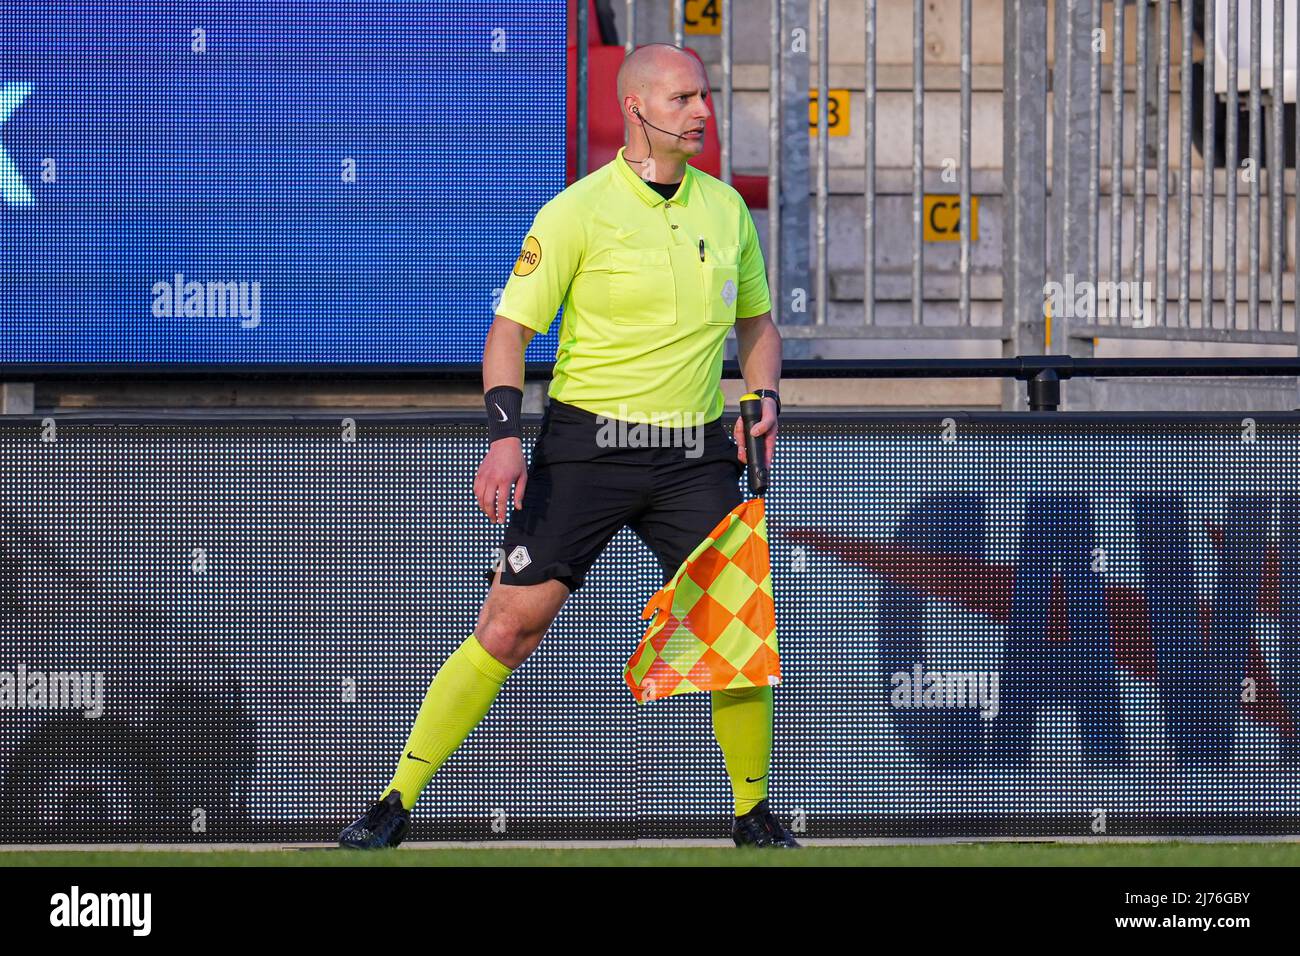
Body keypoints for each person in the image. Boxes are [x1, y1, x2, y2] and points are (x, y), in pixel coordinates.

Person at [339, 43, 796, 849]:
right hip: (586, 447)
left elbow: (757, 325)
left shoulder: (726, 210)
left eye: (705, 98)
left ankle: (753, 815)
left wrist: (761, 395)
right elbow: (508, 333)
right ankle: (394, 801)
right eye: (685, 98)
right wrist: (505, 439)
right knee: (510, 626)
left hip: (695, 455)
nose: (703, 113)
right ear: (638, 108)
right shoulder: (576, 210)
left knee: (734, 636)